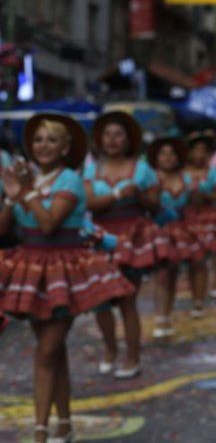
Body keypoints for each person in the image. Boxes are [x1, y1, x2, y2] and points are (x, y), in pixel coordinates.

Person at [0, 113, 134, 442]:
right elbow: (3, 230)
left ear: (65, 148)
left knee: (46, 351)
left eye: (51, 140)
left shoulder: (71, 180)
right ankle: (64, 423)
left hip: (65, 269)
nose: (43, 145)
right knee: (52, 351)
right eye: (38, 139)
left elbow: (48, 224)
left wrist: (26, 193)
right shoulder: (28, 179)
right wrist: (11, 198)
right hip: (31, 269)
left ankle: (40, 432)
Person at [84, 111, 165, 379]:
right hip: (98, 239)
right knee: (101, 301)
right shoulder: (91, 169)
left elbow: (155, 205)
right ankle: (110, 348)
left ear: (128, 139)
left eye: (118, 134)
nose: (112, 139)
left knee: (128, 300)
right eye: (107, 134)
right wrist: (118, 194)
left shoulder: (143, 169)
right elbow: (88, 203)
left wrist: (139, 196)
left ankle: (133, 357)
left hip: (132, 239)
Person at [148, 137, 207, 337]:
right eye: (163, 153)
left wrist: (196, 192)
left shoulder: (187, 179)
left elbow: (196, 203)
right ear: (156, 157)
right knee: (163, 273)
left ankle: (194, 303)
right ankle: (161, 317)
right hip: (159, 230)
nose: (168, 157)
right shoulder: (151, 178)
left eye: (172, 153)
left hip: (184, 229)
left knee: (192, 265)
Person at [183, 132, 216, 297]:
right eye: (196, 150)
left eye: (203, 150)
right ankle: (194, 286)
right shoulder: (182, 172)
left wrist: (206, 196)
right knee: (192, 251)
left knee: (213, 249)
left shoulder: (212, 172)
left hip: (209, 215)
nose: (199, 154)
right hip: (188, 216)